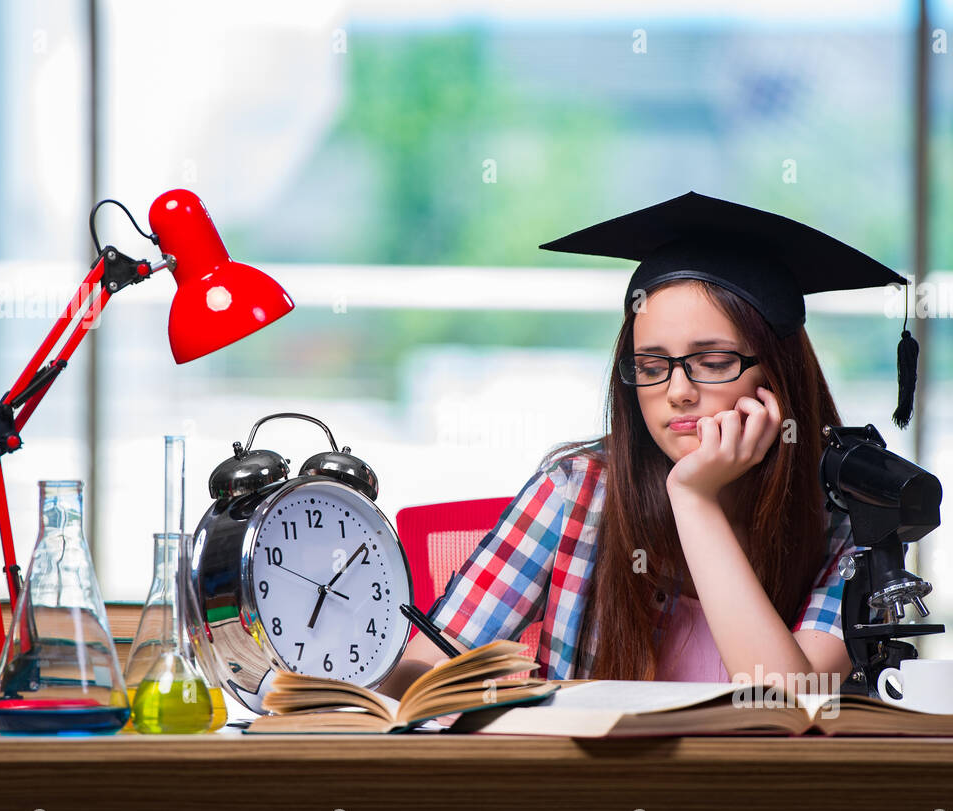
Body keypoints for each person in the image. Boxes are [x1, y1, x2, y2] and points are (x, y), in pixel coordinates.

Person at [377, 191, 918, 701]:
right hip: (596, 795)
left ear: (778, 377)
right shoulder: (579, 491)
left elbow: (787, 704)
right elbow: (425, 670)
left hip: (761, 798)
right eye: (652, 366)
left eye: (711, 363)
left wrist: (695, 499)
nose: (677, 392)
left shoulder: (851, 516)